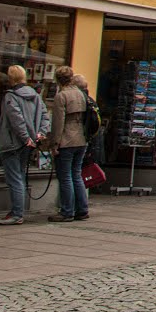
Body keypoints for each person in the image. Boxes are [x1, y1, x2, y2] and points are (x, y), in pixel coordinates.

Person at [0, 65, 46, 225]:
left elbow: (16, 120)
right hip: (28, 143)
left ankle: (17, 214)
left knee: (14, 178)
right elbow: (44, 115)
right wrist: (40, 133)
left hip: (13, 143)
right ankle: (16, 212)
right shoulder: (35, 95)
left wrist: (25, 137)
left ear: (10, 78)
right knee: (19, 176)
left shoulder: (11, 96)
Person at [47, 66, 89, 222]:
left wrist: (54, 144)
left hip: (66, 140)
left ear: (58, 79)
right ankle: (82, 209)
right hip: (81, 139)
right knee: (76, 175)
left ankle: (67, 211)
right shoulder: (80, 94)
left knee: (65, 177)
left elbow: (58, 123)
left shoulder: (61, 96)